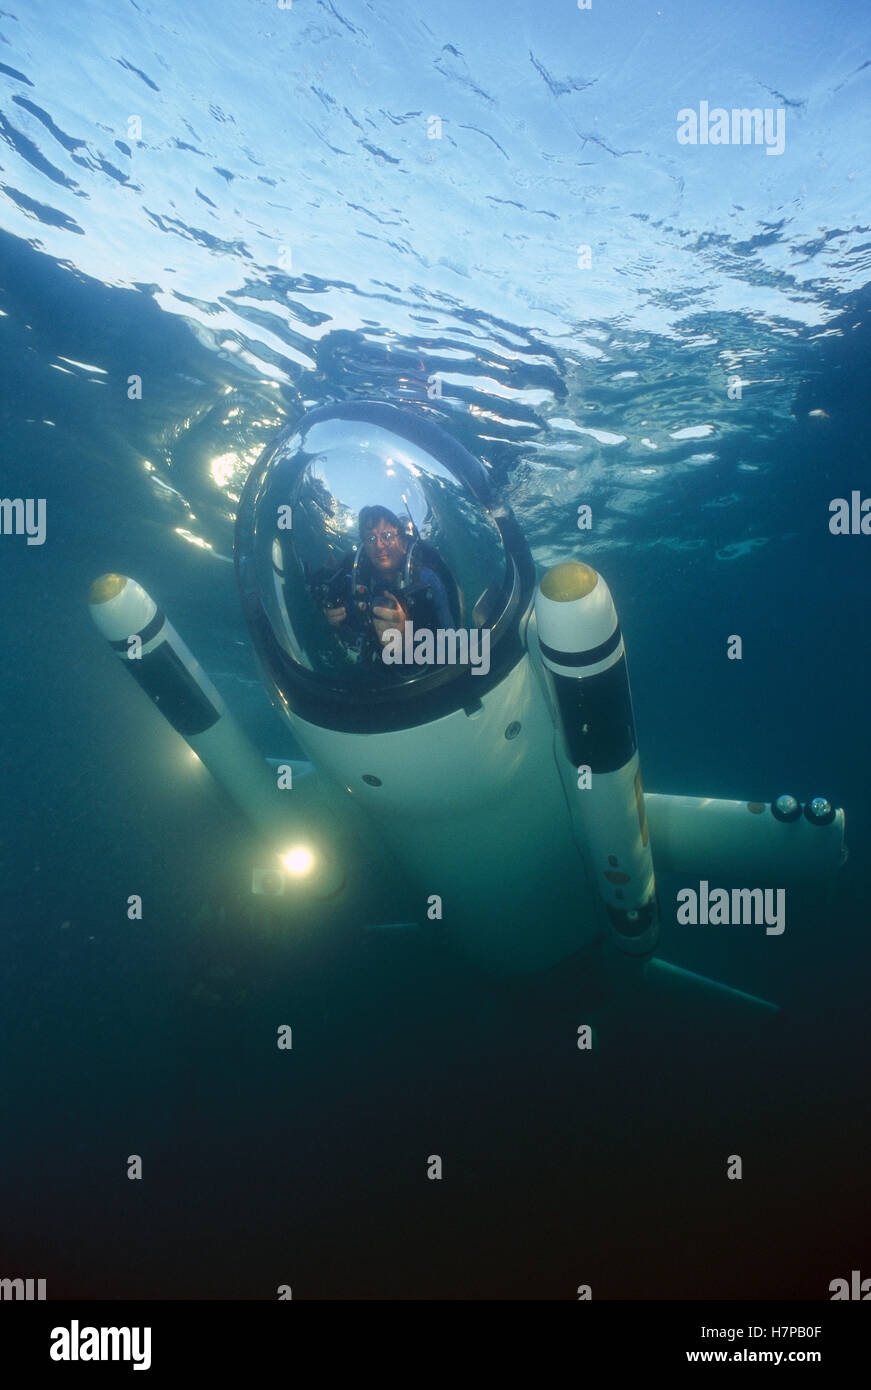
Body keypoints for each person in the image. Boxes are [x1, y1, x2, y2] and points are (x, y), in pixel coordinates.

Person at [324, 505, 453, 656]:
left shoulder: (427, 581)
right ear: (364, 545)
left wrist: (409, 641)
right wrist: (334, 619)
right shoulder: (357, 579)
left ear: (403, 542)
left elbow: (451, 645)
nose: (379, 546)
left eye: (387, 536)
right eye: (371, 539)